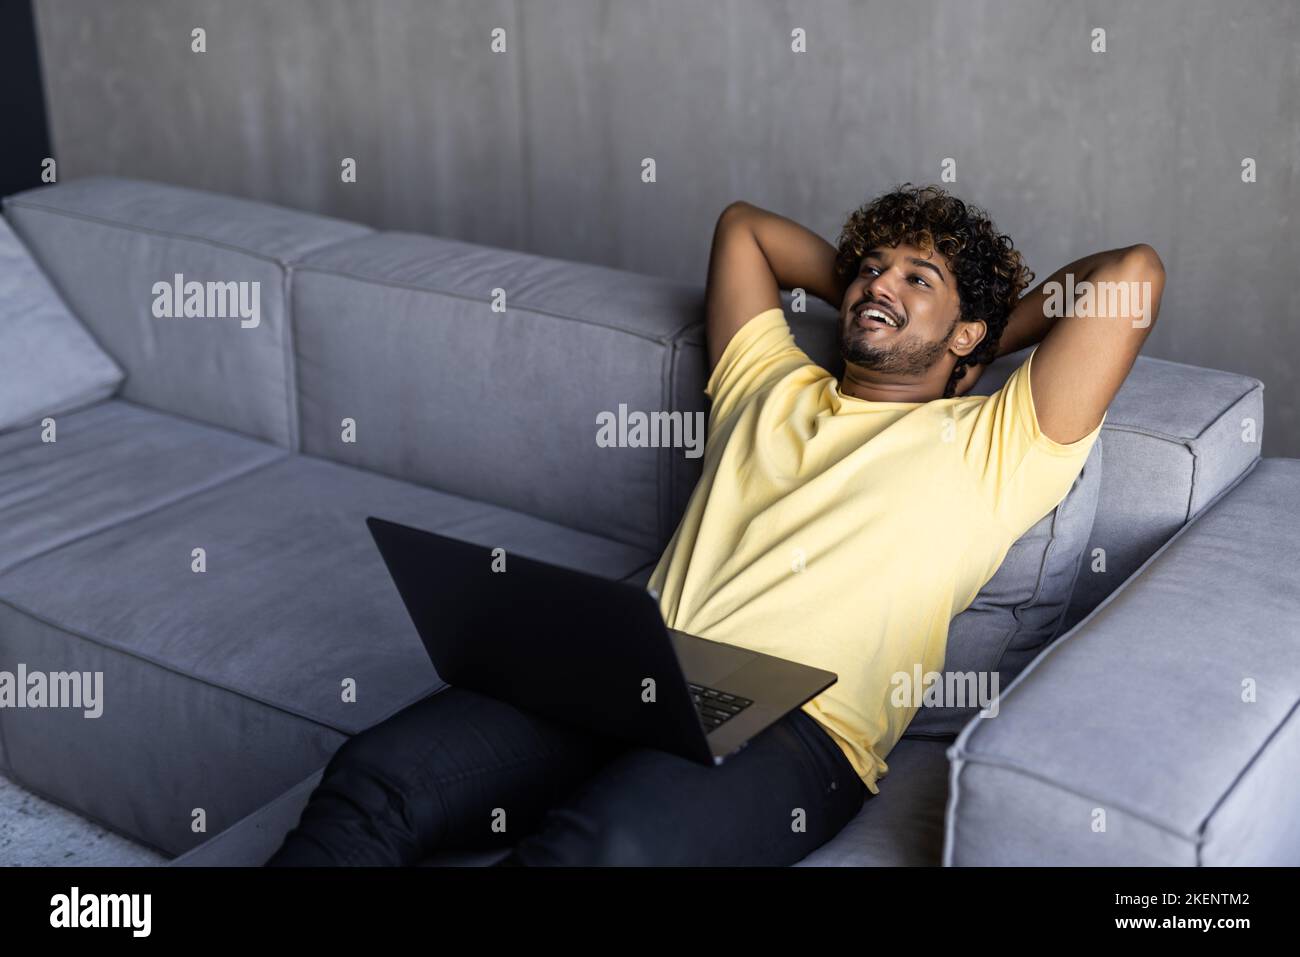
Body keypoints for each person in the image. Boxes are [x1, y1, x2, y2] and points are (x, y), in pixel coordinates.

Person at [265, 183, 1163, 866]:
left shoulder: (993, 442)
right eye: (867, 271)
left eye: (914, 278)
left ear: (968, 332)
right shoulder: (769, 381)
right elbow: (745, 227)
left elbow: (1133, 276)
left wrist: (990, 333)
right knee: (373, 779)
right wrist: (901, 292)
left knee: (591, 851)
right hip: (628, 667)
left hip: (800, 727)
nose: (876, 285)